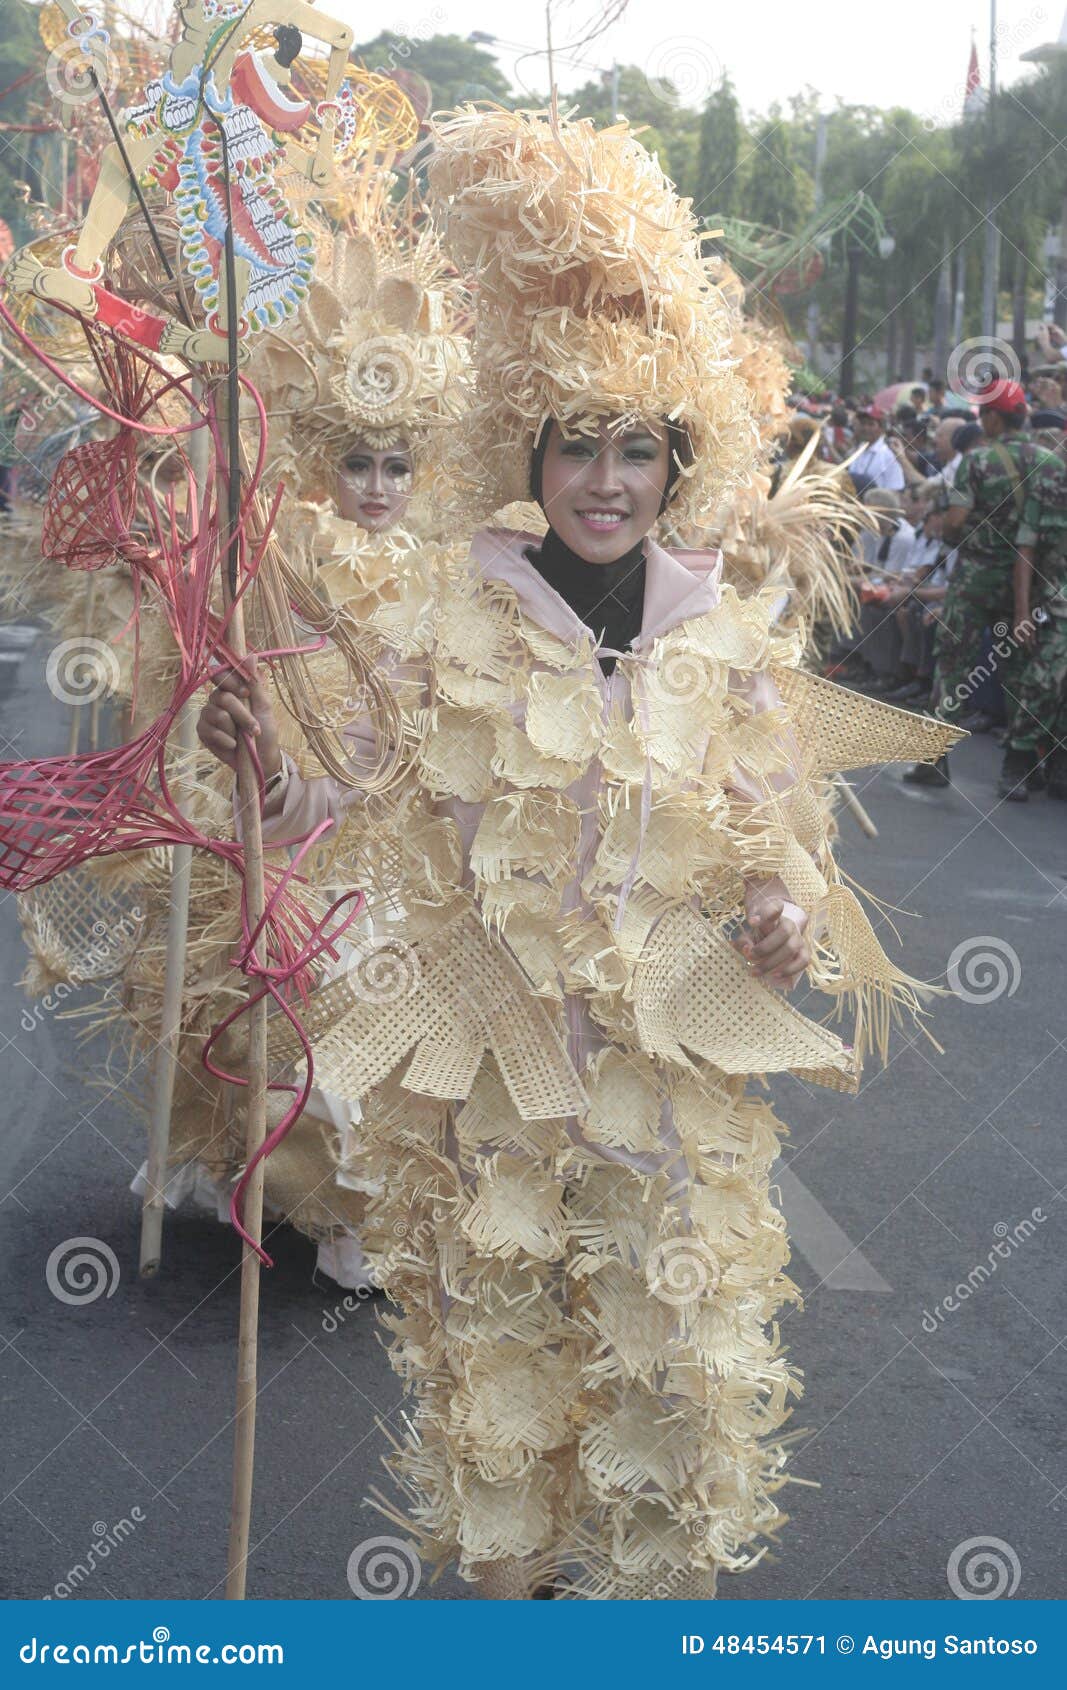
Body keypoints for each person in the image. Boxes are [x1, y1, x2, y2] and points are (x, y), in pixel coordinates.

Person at [199, 108, 959, 1601]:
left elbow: (776, 835)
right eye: (574, 449)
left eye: (634, 450)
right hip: (476, 1071)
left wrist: (775, 917)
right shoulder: (439, 618)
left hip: (666, 1071)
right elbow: (335, 794)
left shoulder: (723, 635)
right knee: (496, 1389)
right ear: (526, 453)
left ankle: (640, 1620)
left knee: (675, 1370)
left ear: (675, 461)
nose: (603, 480)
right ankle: (509, 1616)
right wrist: (263, 763)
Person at [905, 381, 1058, 794]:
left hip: (976, 582)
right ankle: (1017, 769)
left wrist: (970, 535)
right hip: (1025, 587)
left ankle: (935, 760)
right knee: (1018, 670)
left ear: (992, 417)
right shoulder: (1052, 463)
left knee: (952, 667)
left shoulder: (977, 461)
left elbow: (954, 520)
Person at [1008, 450, 1067, 799]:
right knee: (1043, 682)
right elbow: (1025, 551)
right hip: (1055, 604)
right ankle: (1018, 757)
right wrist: (1021, 611)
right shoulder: (1050, 486)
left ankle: (1059, 762)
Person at [849, 405, 906, 494]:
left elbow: (896, 490)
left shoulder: (889, 454)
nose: (865, 428)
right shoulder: (858, 450)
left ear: (881, 428)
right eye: (863, 423)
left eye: (871, 424)